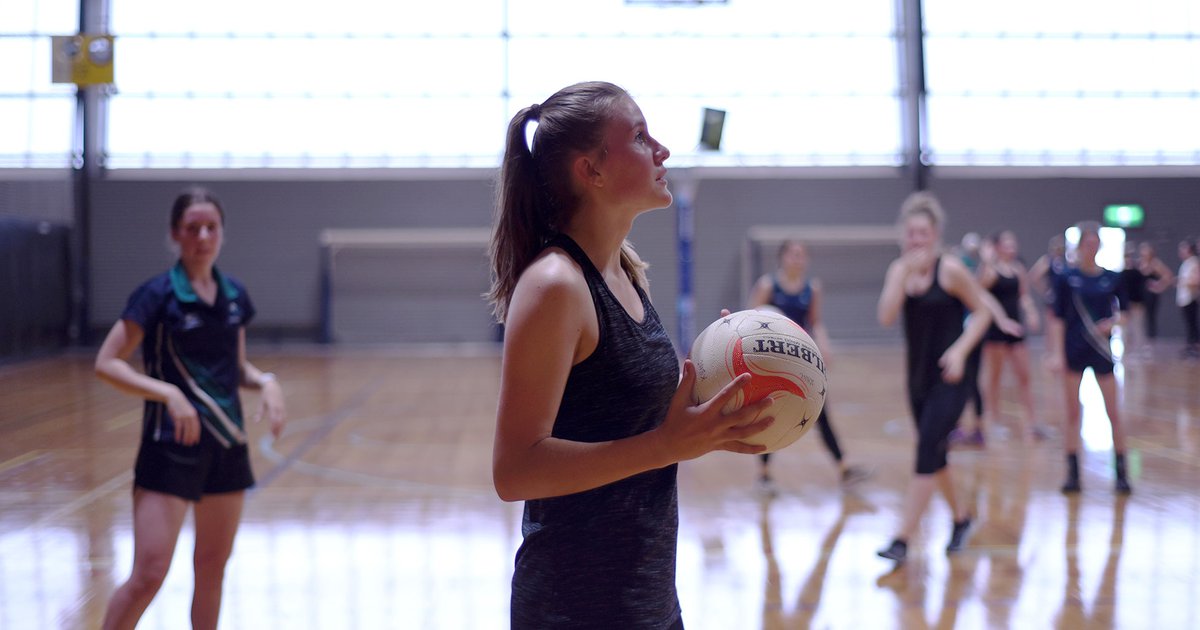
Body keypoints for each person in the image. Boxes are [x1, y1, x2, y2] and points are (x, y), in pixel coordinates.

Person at [487, 81, 774, 629]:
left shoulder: (623, 268)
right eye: (640, 137)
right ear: (590, 171)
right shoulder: (556, 284)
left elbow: (624, 414)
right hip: (574, 610)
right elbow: (514, 470)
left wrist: (719, 378)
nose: (662, 150)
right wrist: (665, 445)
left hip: (648, 603)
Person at [94, 187, 286, 630]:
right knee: (148, 575)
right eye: (192, 227)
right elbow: (106, 364)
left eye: (211, 227)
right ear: (175, 234)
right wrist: (168, 393)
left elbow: (233, 368)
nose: (203, 236)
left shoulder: (234, 294)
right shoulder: (156, 295)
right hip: (170, 447)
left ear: (222, 233)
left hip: (226, 446)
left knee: (212, 569)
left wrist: (265, 382)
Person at [875, 191, 994, 563]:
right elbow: (886, 317)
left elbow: (984, 313)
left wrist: (960, 350)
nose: (916, 241)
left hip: (954, 375)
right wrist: (902, 274)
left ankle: (902, 539)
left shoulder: (952, 270)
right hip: (918, 378)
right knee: (936, 453)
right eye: (910, 233)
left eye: (923, 233)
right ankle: (961, 519)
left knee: (926, 449)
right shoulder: (900, 270)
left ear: (936, 234)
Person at [748, 240, 871, 494]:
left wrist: (824, 346)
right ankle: (763, 475)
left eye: (802, 255)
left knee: (820, 412)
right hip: (774, 362)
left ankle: (844, 468)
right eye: (793, 254)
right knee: (772, 416)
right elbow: (749, 320)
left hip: (801, 361)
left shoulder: (811, 288)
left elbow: (815, 322)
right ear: (782, 257)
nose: (797, 259)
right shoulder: (768, 285)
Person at [1047, 221, 1131, 494]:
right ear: (1080, 246)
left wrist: (1113, 324)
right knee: (1073, 413)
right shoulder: (1065, 278)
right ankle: (1072, 473)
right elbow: (1057, 319)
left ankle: (1121, 472)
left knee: (1113, 413)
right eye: (1087, 243)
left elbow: (1126, 314)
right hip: (1073, 350)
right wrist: (1057, 354)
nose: (1091, 248)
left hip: (1102, 352)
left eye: (1096, 243)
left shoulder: (1112, 277)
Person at [977, 230, 1046, 443]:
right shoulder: (990, 271)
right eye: (1006, 244)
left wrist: (1032, 312)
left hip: (1016, 329)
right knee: (994, 379)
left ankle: (1032, 424)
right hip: (996, 330)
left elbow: (1024, 295)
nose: (1011, 248)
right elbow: (979, 291)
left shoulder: (1018, 269)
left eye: (1013, 244)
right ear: (997, 247)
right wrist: (986, 260)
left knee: (1024, 376)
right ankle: (994, 421)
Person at [1137, 241, 1174, 353]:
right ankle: (1141, 342)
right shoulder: (1140, 263)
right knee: (1140, 319)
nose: (1143, 252)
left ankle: (1150, 344)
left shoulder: (1155, 263)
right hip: (1141, 296)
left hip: (1151, 295)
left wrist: (1158, 286)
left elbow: (1168, 276)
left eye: (1145, 250)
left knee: (1150, 318)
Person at [1119, 245, 1148, 361]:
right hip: (1126, 305)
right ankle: (1127, 351)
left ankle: (1138, 351)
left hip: (1137, 303)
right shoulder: (1121, 274)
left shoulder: (1137, 273)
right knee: (1126, 329)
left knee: (1137, 328)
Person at [1176, 238, 1200, 359]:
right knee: (1189, 324)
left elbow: (1196, 281)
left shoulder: (1194, 262)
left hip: (1191, 298)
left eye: (1183, 248)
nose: (1180, 251)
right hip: (1184, 299)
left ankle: (1194, 348)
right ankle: (1191, 347)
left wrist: (1184, 282)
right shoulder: (1187, 263)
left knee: (1192, 324)